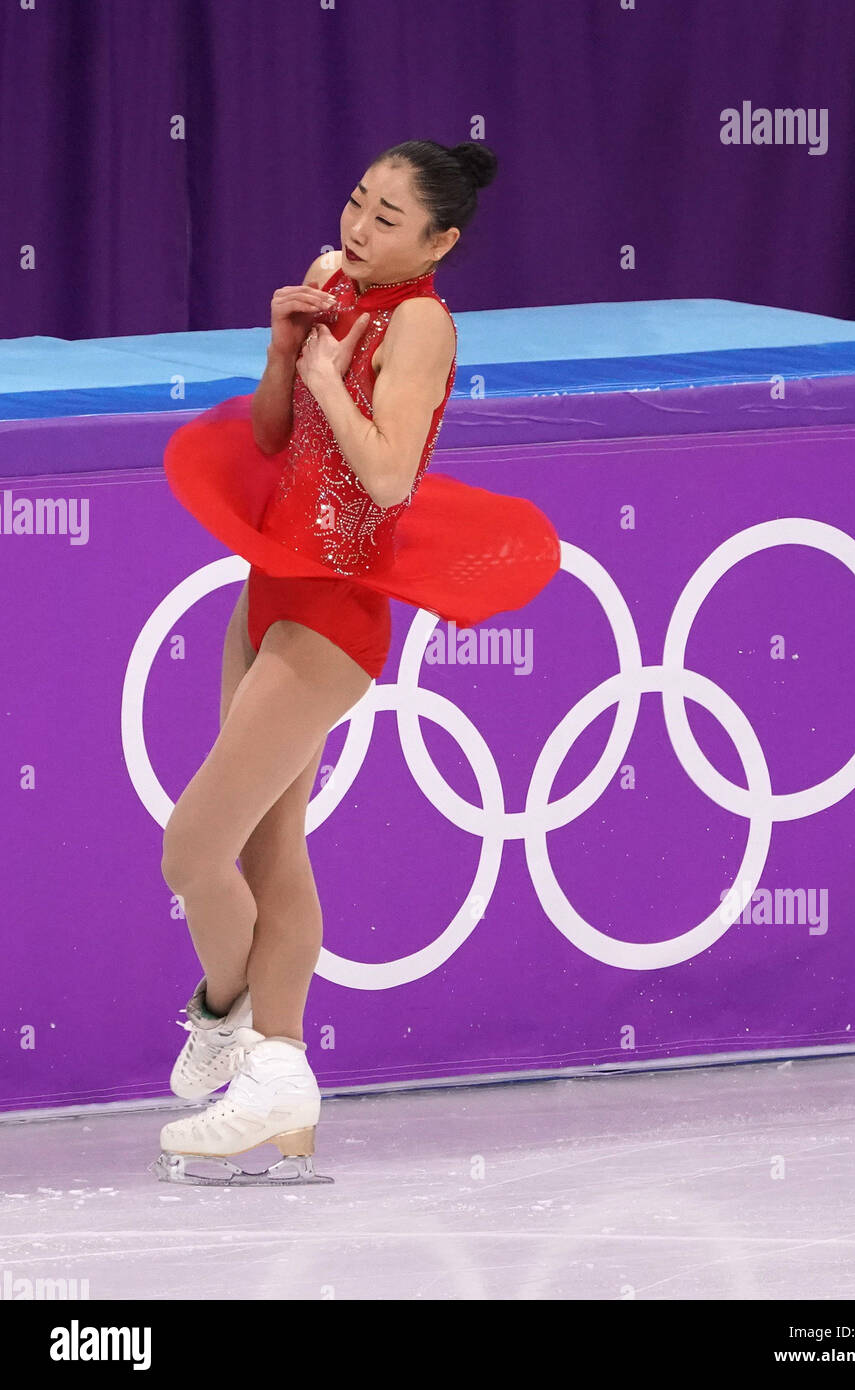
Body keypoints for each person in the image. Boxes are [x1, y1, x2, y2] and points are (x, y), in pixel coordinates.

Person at [153, 139, 560, 1185]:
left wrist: (333, 379)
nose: (358, 227)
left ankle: (228, 1019)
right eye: (355, 201)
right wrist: (286, 349)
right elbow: (271, 438)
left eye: (386, 217)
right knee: (270, 851)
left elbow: (384, 478)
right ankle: (283, 1104)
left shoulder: (421, 322)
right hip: (271, 584)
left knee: (191, 850)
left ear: (439, 241)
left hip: (335, 609)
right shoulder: (333, 283)